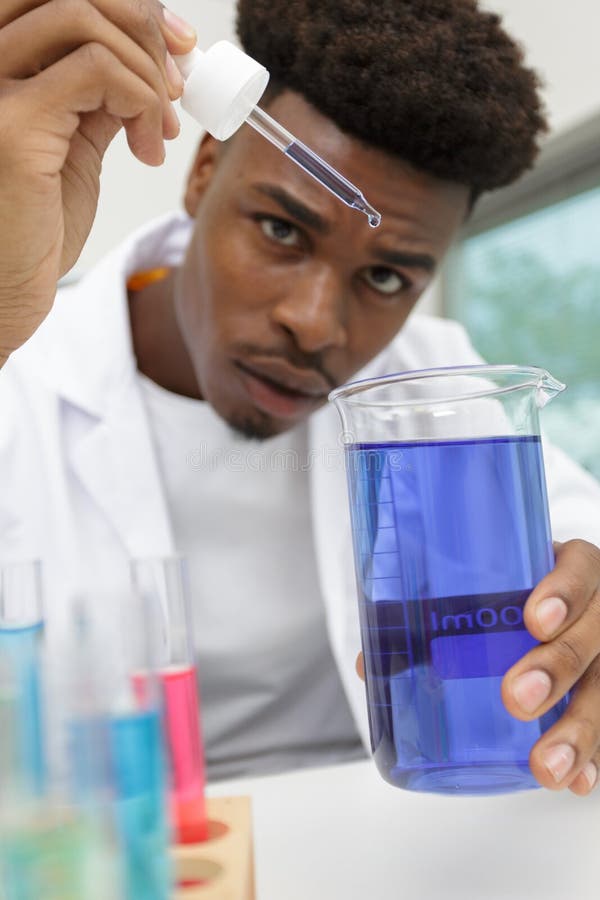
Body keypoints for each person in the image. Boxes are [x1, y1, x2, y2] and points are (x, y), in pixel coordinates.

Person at [0, 0, 599, 794]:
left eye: (387, 277)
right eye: (283, 230)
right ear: (204, 171)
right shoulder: (20, 367)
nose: (314, 326)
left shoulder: (436, 385)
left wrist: (582, 630)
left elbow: (580, 544)